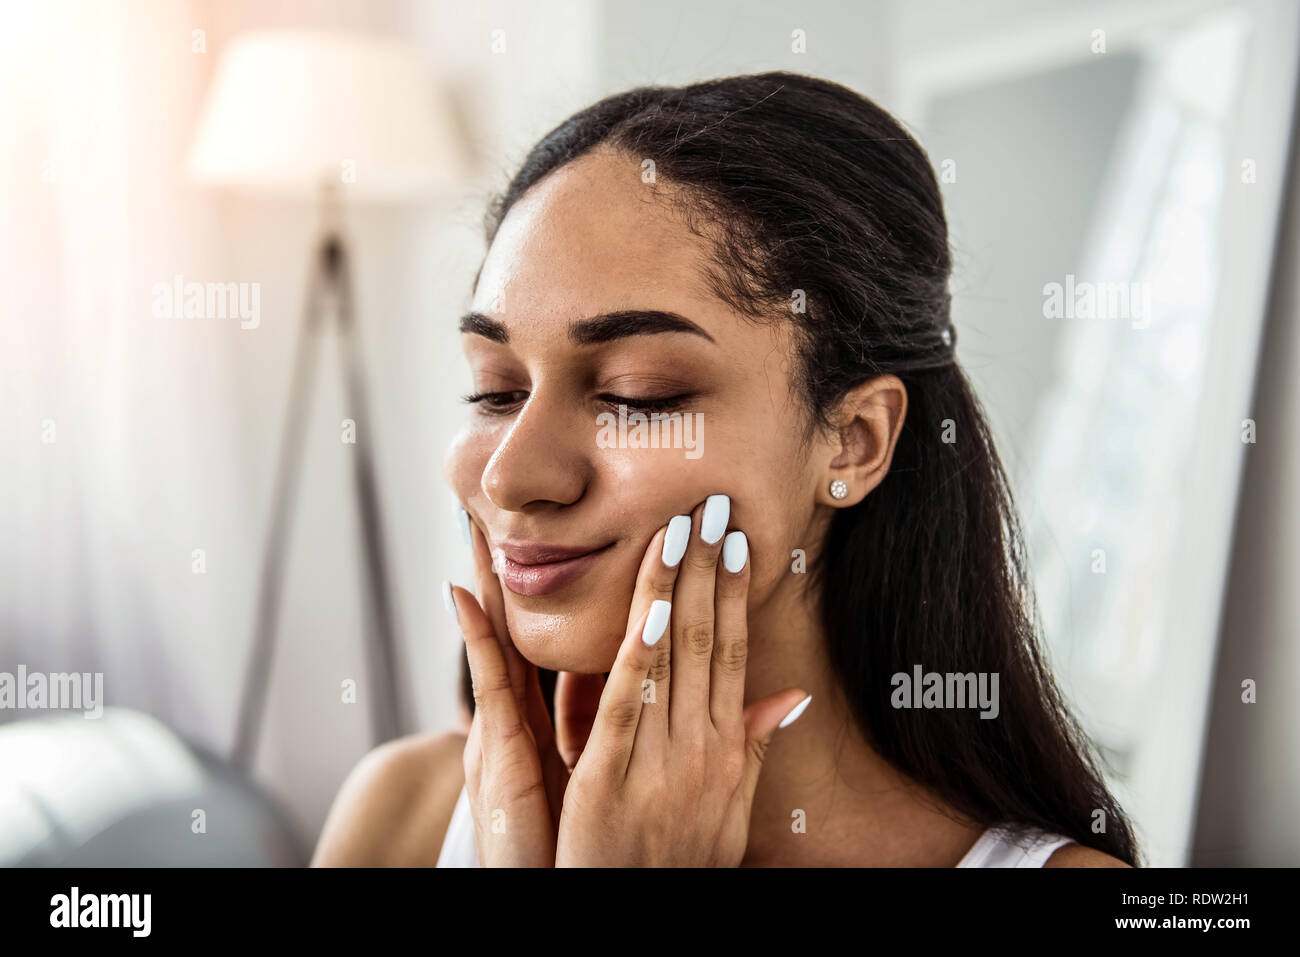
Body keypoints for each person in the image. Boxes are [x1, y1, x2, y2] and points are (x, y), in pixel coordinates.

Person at [312, 71, 1138, 867]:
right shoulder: (402, 816)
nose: (508, 476)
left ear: (853, 440)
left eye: (638, 395)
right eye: (496, 390)